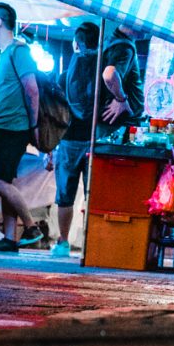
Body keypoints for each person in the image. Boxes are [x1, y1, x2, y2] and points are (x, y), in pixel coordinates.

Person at [0, 1, 45, 254]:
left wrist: (33, 125)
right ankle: (10, 238)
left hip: (15, 126)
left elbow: (32, 89)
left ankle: (31, 227)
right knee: (6, 180)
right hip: (1, 124)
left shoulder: (19, 51)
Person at [50, 22, 100, 260]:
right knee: (95, 195)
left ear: (76, 44)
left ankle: (63, 242)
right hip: (95, 141)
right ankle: (92, 241)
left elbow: (57, 114)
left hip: (69, 141)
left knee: (65, 195)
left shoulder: (64, 77)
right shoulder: (103, 73)